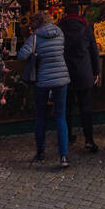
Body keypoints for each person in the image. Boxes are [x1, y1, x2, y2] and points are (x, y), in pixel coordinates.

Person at [18, 11, 71, 168]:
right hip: (62, 79)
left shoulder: (35, 37)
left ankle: (40, 153)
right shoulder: (60, 33)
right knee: (60, 117)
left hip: (43, 80)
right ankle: (63, 156)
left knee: (41, 117)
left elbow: (22, 55)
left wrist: (35, 52)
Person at [58, 2, 100, 153]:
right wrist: (96, 71)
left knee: (67, 107)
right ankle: (89, 139)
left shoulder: (60, 28)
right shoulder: (87, 28)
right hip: (84, 72)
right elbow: (94, 51)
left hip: (65, 72)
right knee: (86, 107)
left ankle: (67, 135)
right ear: (79, 12)